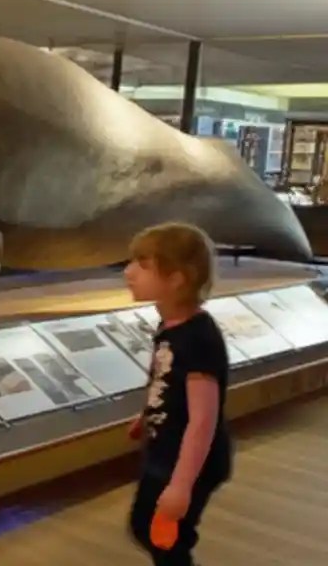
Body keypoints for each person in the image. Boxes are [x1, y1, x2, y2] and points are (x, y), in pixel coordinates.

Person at [123, 222, 232, 566]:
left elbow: (203, 419)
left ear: (175, 279)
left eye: (142, 265)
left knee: (165, 537)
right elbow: (166, 379)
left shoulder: (198, 337)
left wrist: (182, 485)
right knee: (147, 526)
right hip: (166, 449)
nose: (128, 272)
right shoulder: (169, 324)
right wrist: (147, 414)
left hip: (190, 459)